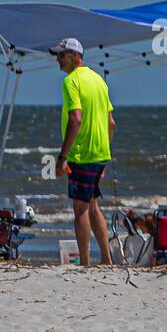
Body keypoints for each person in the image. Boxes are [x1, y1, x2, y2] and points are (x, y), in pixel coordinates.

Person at [51, 39, 115, 267]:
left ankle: (85, 263)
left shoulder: (71, 81)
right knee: (93, 206)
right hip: (100, 154)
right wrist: (104, 153)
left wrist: (62, 156)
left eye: (60, 55)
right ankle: (106, 259)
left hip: (82, 154)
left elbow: (75, 119)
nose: (57, 60)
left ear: (73, 55)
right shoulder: (99, 80)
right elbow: (111, 123)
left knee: (80, 211)